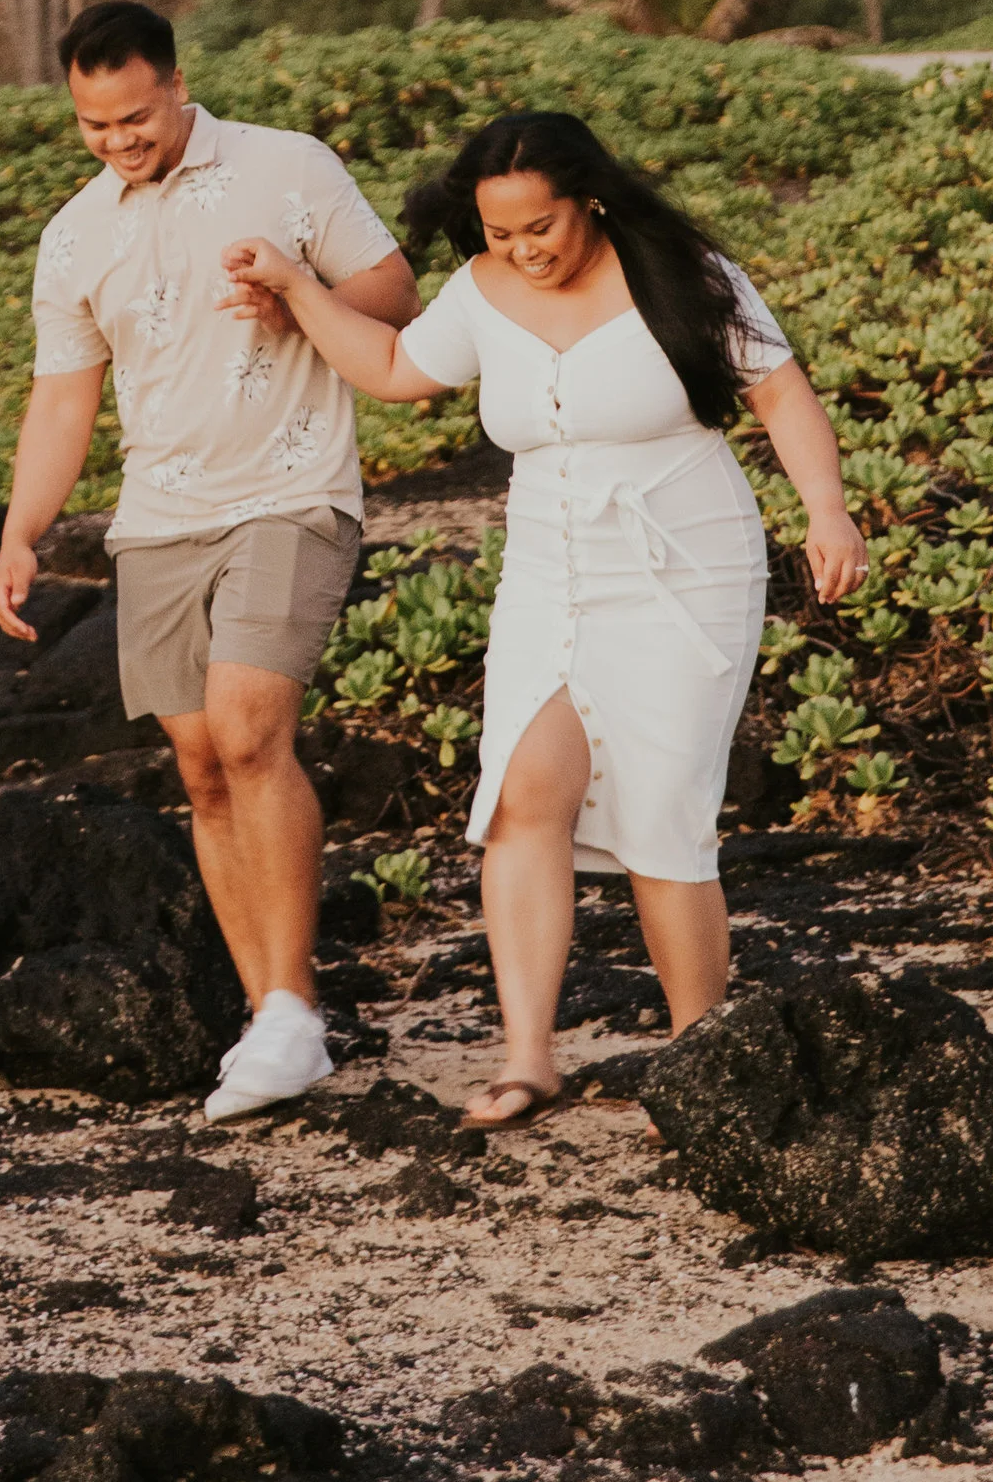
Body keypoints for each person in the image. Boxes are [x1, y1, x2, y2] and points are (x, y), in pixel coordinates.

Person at [220, 105, 866, 1130]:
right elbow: (392, 371)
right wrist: (298, 290)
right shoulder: (481, 291)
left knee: (662, 818)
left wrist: (825, 513)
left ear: (589, 199)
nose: (522, 251)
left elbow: (779, 396)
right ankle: (528, 1058)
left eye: (540, 227)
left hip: (684, 567)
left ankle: (701, 1052)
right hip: (548, 572)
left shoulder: (680, 272)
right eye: (499, 234)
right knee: (525, 795)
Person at [0, 0, 419, 1124]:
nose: (119, 140)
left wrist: (298, 294)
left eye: (134, 115)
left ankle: (290, 1014)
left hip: (290, 492)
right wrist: (20, 531)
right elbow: (61, 399)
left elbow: (397, 296)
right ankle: (266, 1007)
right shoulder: (74, 234)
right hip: (156, 519)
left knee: (247, 732)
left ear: (177, 83)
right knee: (199, 770)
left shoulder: (287, 166)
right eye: (93, 125)